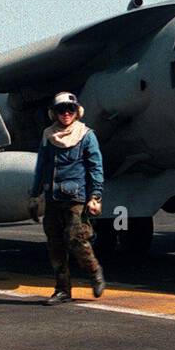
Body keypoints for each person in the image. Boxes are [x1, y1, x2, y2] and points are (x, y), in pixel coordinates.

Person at [28, 92, 106, 304]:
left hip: (77, 198)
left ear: (77, 112)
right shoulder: (48, 135)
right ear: (54, 113)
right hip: (53, 198)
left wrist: (95, 196)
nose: (66, 114)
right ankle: (62, 289)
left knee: (76, 238)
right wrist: (35, 196)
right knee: (55, 244)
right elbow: (41, 166)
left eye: (70, 109)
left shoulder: (86, 135)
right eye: (61, 110)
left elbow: (95, 167)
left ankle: (94, 272)